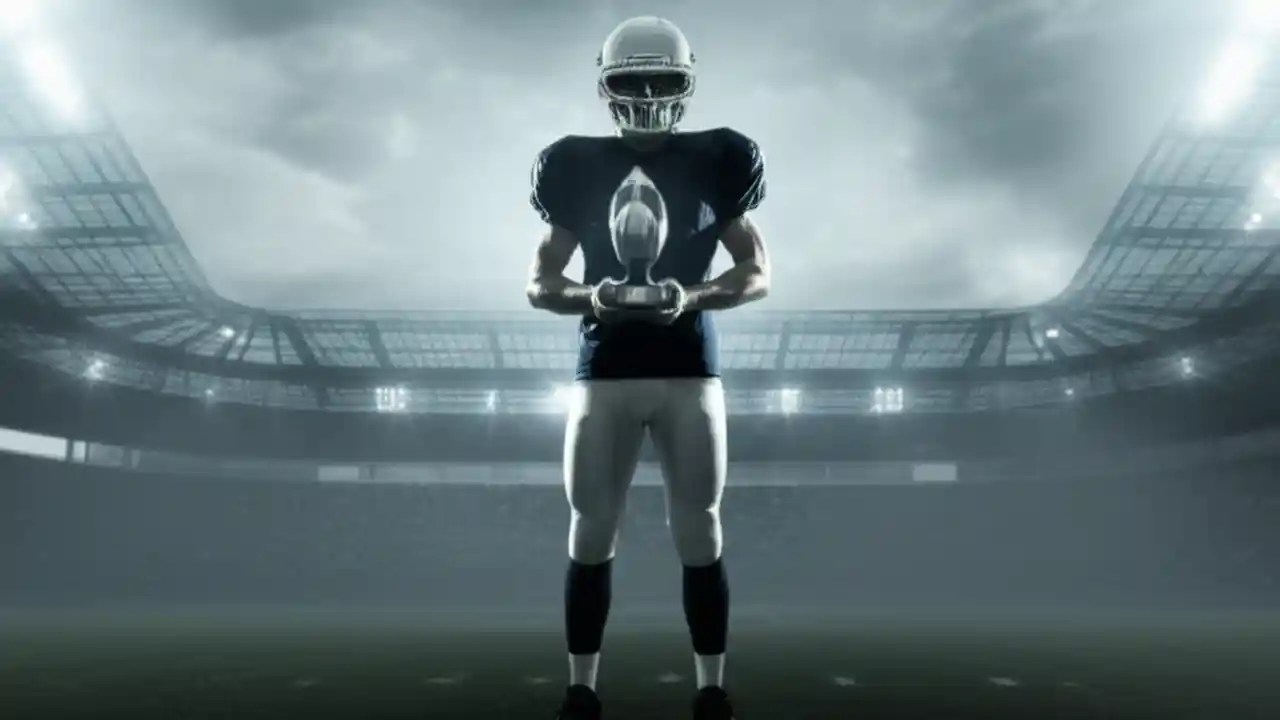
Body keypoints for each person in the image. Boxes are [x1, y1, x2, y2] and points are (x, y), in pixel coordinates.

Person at [525, 15, 771, 720]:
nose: (650, 92)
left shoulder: (719, 157)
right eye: (634, 80)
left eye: (663, 78)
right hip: (604, 371)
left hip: (689, 368)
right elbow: (540, 282)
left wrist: (689, 295)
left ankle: (712, 689)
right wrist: (593, 296)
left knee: (700, 528)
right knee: (591, 528)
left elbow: (757, 271)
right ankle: (581, 689)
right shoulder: (572, 162)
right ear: (607, 87)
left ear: (687, 82)